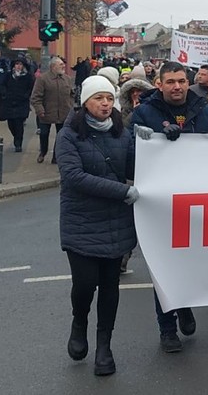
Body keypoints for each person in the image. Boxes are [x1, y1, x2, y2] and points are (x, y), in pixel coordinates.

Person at [129, 61, 208, 353]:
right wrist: (140, 139)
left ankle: (184, 304)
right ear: (159, 84)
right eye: (170, 82)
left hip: (196, 200)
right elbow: (127, 153)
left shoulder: (204, 110)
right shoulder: (144, 112)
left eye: (181, 81)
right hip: (160, 205)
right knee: (163, 267)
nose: (177, 87)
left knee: (191, 263)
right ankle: (167, 329)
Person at [57, 76, 137, 377]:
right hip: (81, 222)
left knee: (110, 287)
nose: (105, 104)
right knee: (85, 284)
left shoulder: (121, 132)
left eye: (109, 98)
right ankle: (79, 322)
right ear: (85, 103)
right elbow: (74, 177)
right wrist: (122, 191)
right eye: (98, 98)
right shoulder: (68, 136)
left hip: (115, 222)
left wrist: (151, 143)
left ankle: (105, 347)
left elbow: (134, 167)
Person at [32, 57, 75, 165]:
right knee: (44, 134)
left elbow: (71, 95)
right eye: (60, 64)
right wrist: (39, 110)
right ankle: (43, 152)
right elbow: (35, 97)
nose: (63, 66)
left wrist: (70, 106)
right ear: (53, 66)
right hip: (46, 112)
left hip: (63, 112)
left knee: (61, 136)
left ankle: (56, 156)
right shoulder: (42, 79)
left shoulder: (67, 79)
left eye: (63, 64)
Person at [0, 59, 35, 153]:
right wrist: (4, 93)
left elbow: (31, 87)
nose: (18, 66)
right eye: (16, 64)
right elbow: (2, 85)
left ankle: (18, 143)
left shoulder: (27, 76)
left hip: (21, 103)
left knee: (19, 124)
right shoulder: (8, 75)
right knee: (11, 124)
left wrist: (26, 95)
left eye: (20, 64)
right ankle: (16, 136)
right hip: (9, 103)